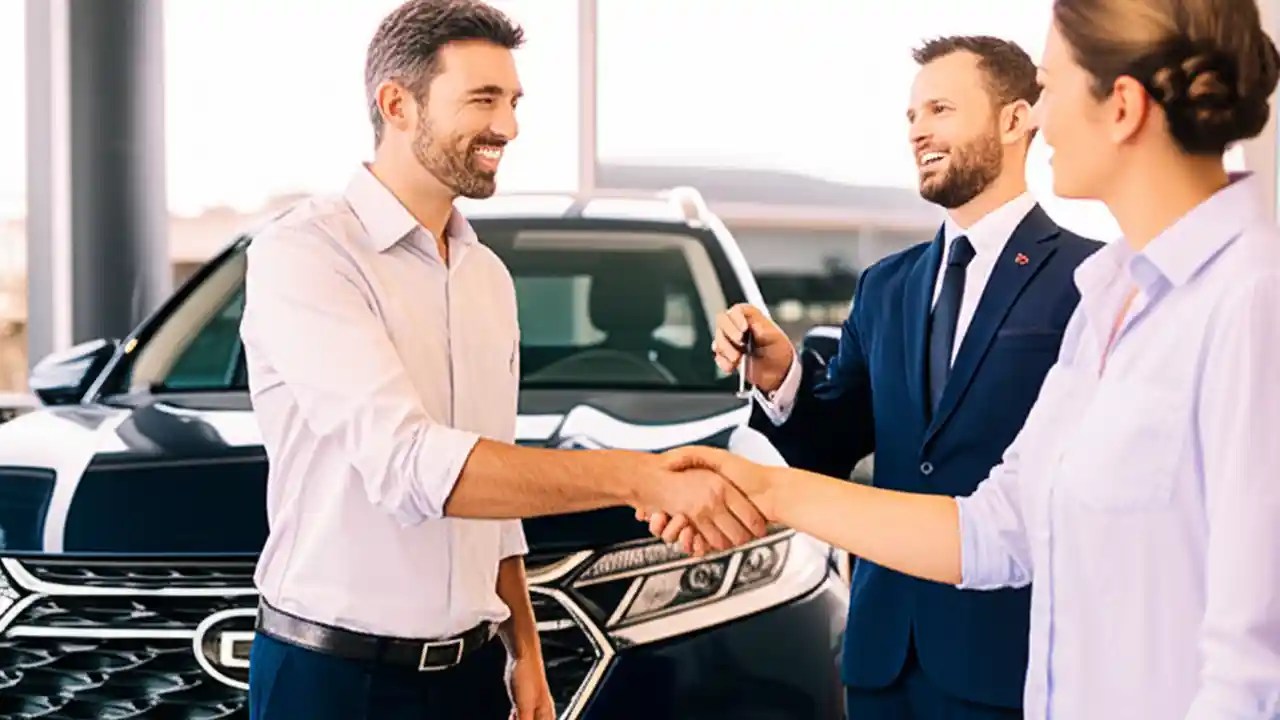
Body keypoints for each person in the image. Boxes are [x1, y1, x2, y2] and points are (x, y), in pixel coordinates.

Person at [656, 0, 1280, 717]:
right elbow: (998, 528)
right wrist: (761, 488)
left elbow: (1252, 664)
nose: (1043, 113)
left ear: (1124, 107)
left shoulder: (1253, 301)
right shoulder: (1111, 296)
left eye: (1050, 83)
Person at [237, 2, 766, 719]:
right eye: (483, 99)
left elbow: (491, 498)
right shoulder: (307, 254)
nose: (509, 127)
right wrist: (644, 477)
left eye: (513, 102)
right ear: (397, 103)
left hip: (472, 676)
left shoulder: (485, 276)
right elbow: (414, 465)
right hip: (335, 681)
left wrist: (526, 653)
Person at [653, 35, 1102, 719]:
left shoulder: (1092, 280)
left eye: (942, 109)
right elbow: (832, 448)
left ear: (1017, 121)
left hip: (1015, 656)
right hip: (882, 658)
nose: (919, 129)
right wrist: (781, 378)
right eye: (912, 115)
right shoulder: (887, 286)